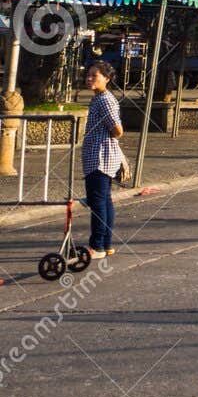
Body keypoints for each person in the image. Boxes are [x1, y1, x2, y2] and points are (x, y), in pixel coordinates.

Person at [81, 61, 124, 259]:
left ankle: (96, 246)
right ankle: (106, 244)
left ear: (107, 79)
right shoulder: (99, 98)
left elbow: (117, 130)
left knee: (98, 203)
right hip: (99, 157)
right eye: (88, 75)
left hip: (100, 158)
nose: (89, 79)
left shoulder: (104, 100)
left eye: (94, 76)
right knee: (104, 202)